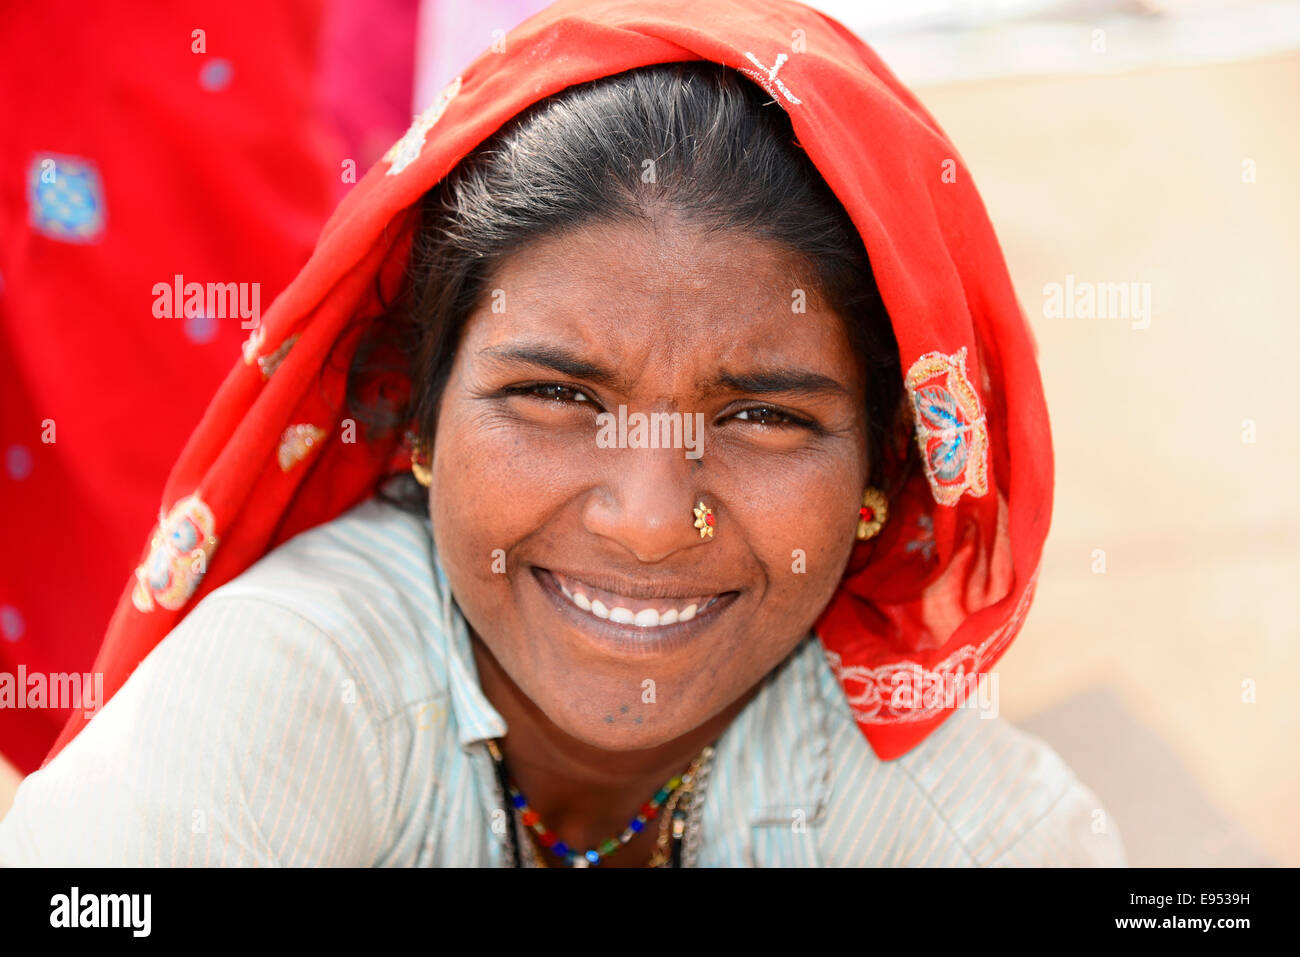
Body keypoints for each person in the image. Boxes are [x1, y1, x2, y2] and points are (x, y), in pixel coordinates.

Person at [0, 0, 1124, 867]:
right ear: (420, 413)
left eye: (762, 417)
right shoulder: (278, 703)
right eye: (557, 398)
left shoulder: (940, 807)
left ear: (882, 476)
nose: (645, 522)